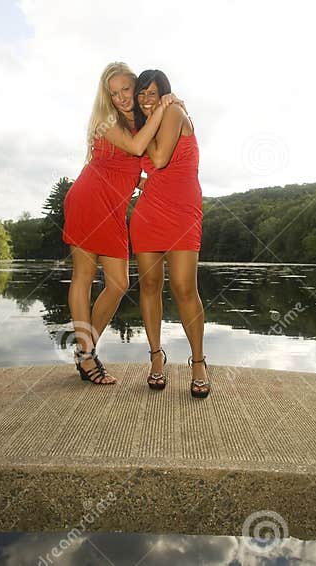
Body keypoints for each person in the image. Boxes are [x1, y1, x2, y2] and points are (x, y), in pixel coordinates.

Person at [62, 62, 179, 384]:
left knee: (119, 284)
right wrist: (165, 104)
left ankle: (85, 350)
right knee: (83, 277)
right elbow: (136, 148)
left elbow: (128, 164)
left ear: (136, 87)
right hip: (87, 201)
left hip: (114, 209)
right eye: (114, 93)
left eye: (127, 89)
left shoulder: (138, 120)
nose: (122, 97)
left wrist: (143, 183)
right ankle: (86, 357)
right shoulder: (106, 121)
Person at [129, 69, 208, 398]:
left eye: (152, 93)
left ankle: (199, 363)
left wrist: (162, 108)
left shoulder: (173, 112)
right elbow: (135, 171)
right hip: (148, 214)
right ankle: (156, 358)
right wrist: (145, 186)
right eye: (141, 94)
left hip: (183, 213)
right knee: (149, 286)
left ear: (164, 93)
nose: (146, 100)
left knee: (184, 287)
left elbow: (159, 158)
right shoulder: (140, 127)